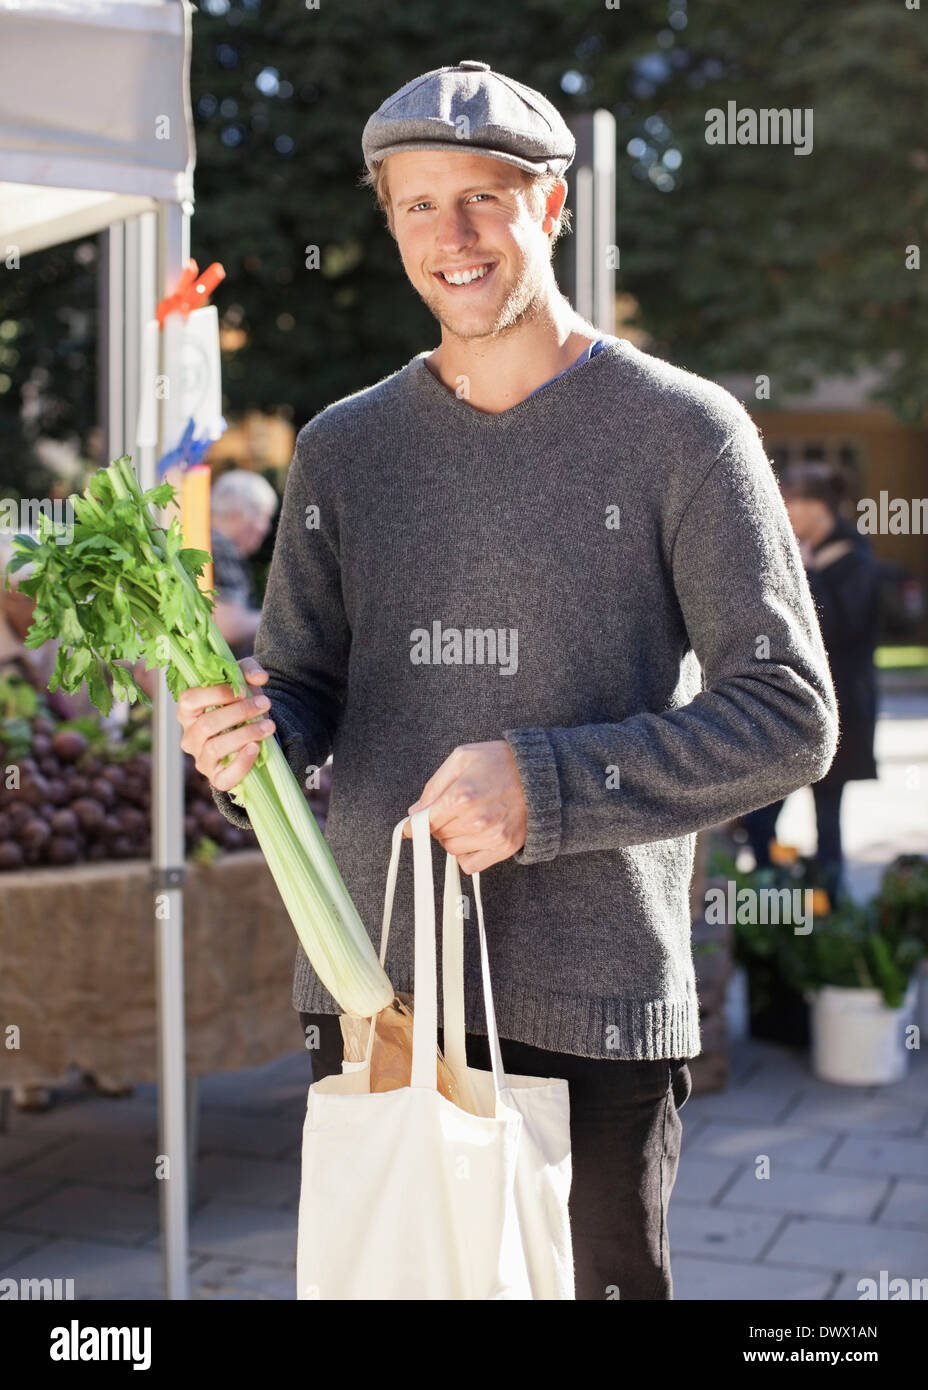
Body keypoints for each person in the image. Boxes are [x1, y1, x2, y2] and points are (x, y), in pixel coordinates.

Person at [174, 61, 838, 1300]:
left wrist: (546, 783)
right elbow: (307, 679)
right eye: (417, 204)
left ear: (555, 205)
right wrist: (247, 732)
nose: (453, 235)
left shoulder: (685, 432)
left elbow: (786, 717)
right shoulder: (344, 447)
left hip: (590, 995)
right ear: (388, 223)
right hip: (377, 987)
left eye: (483, 196)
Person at [740, 462, 880, 903]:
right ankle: (775, 892)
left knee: (828, 815)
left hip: (841, 709)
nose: (787, 512)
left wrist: (807, 573)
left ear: (820, 507)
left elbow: (838, 626)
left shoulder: (854, 560)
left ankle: (829, 908)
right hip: (791, 705)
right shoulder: (804, 553)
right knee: (759, 815)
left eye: (793, 502)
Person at [209, 469, 279, 658]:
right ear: (236, 512)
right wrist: (283, 620)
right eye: (262, 516)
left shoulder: (212, 542)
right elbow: (225, 625)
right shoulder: (219, 548)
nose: (266, 528)